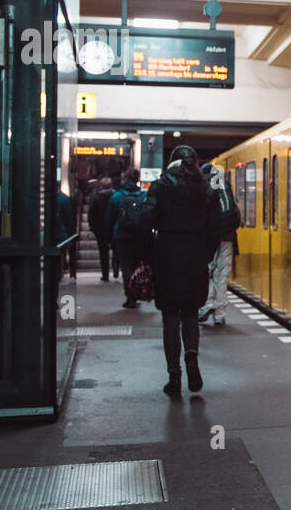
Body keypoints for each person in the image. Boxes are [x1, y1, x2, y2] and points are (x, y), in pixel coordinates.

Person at [142, 145, 219, 398]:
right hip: (195, 254)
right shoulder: (204, 188)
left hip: (167, 254)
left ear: (171, 162)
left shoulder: (160, 185)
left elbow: (146, 220)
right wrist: (206, 254)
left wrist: (149, 254)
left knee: (170, 317)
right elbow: (215, 226)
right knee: (190, 312)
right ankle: (192, 358)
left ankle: (174, 376)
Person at [199, 162, 240, 326]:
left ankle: (207, 303)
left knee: (208, 270)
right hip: (228, 235)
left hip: (211, 235)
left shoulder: (205, 184)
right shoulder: (225, 184)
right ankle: (220, 314)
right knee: (222, 273)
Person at [105, 168, 146, 308]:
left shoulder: (117, 196)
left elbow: (109, 218)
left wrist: (108, 238)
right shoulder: (142, 196)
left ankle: (130, 296)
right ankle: (137, 293)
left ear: (125, 179)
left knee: (126, 266)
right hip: (139, 236)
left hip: (121, 236)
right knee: (136, 266)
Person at [87, 177, 115, 281]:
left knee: (103, 253)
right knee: (116, 249)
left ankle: (105, 274)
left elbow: (91, 214)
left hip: (100, 229)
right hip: (113, 227)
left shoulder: (96, 198)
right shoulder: (116, 196)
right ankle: (116, 268)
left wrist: (93, 228)